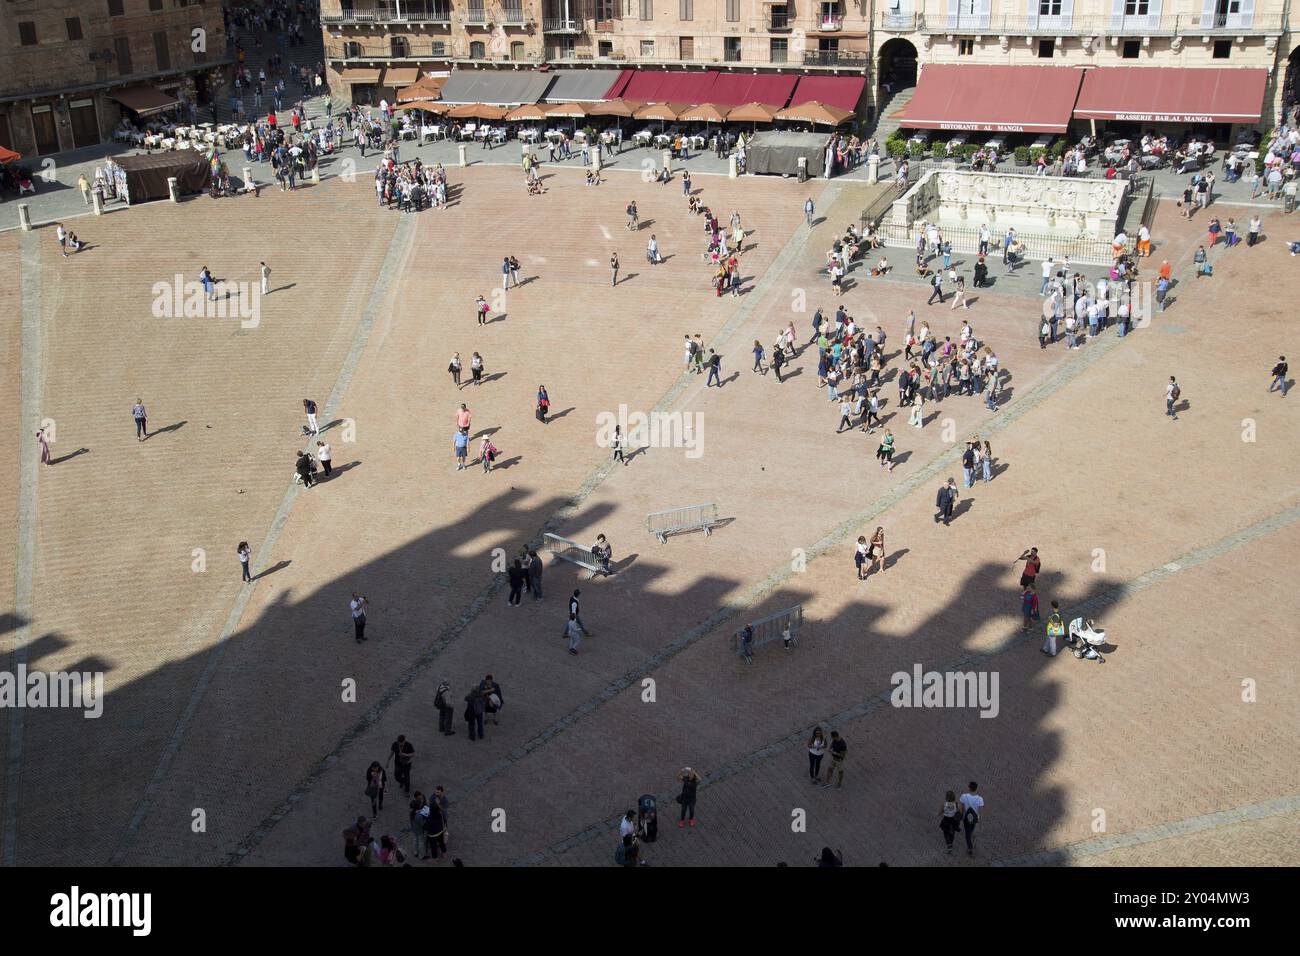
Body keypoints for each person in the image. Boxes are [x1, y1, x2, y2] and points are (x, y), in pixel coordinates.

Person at [959, 782, 984, 857]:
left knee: (967, 834)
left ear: (969, 788)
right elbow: (981, 810)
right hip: (975, 817)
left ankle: (970, 848)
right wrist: (980, 819)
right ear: (976, 788)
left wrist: (961, 815)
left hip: (966, 817)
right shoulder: (980, 799)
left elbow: (961, 807)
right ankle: (971, 835)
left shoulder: (964, 796)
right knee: (971, 828)